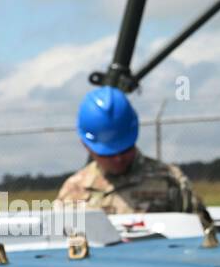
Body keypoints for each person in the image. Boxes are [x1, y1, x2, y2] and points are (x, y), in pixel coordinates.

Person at [57, 87, 206, 214]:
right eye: (108, 154)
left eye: (124, 149)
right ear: (86, 145)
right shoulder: (73, 191)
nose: (118, 159)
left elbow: (202, 233)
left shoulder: (170, 180)